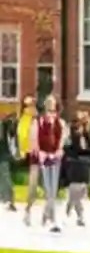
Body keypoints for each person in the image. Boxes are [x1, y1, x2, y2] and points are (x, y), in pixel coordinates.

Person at [30, 95, 65, 232]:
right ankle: (51, 218)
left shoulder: (59, 122)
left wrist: (59, 151)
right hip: (44, 158)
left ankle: (49, 217)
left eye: (53, 108)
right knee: (48, 189)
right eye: (49, 108)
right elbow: (34, 139)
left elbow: (61, 139)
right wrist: (40, 153)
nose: (51, 112)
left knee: (53, 190)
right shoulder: (39, 122)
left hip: (55, 158)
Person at [63, 110, 90, 227]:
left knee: (80, 192)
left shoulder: (87, 135)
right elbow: (69, 149)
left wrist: (86, 152)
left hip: (85, 165)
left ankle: (70, 206)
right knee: (75, 190)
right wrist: (82, 152)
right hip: (74, 165)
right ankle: (79, 216)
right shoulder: (71, 134)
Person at [16, 95, 37, 224]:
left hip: (45, 156)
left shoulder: (38, 120)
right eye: (28, 105)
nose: (31, 108)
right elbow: (23, 137)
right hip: (33, 156)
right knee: (33, 185)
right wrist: (24, 151)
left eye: (32, 105)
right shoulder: (24, 121)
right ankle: (28, 211)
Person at [0, 110, 16, 211]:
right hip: (3, 154)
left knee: (5, 177)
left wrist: (9, 119)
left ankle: (10, 200)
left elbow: (12, 133)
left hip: (4, 155)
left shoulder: (6, 124)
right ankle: (4, 198)